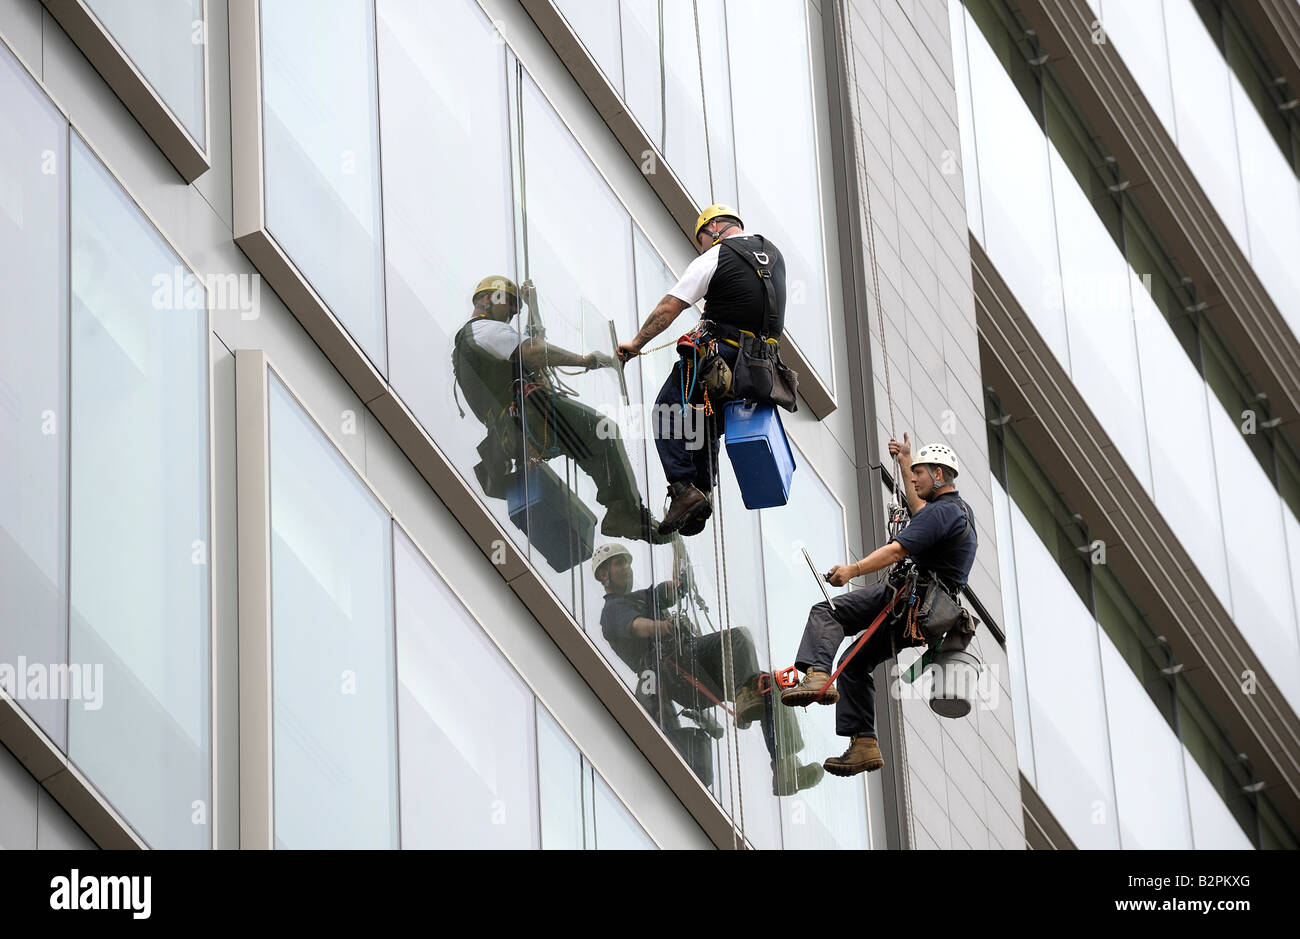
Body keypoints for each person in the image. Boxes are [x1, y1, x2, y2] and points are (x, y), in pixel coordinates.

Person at [782, 435, 979, 777]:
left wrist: (851, 570)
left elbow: (897, 550)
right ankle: (864, 744)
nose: (914, 480)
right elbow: (920, 512)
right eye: (913, 474)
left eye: (920, 473)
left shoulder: (944, 512)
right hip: (922, 614)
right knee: (855, 665)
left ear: (939, 474)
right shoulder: (956, 512)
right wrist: (905, 463)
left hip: (905, 598)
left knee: (827, 612)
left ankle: (816, 675)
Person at [593, 541, 823, 796]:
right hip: (676, 668)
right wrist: (666, 627)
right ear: (604, 574)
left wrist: (676, 542)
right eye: (619, 563)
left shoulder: (643, 597)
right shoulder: (612, 610)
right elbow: (637, 626)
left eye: (627, 562)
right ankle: (745, 696)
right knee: (739, 638)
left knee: (772, 685)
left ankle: (785, 769)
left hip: (693, 662)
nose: (627, 568)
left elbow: (676, 586)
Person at [453, 275, 665, 544]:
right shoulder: (482, 330)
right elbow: (532, 350)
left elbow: (532, 342)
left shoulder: (481, 338)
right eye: (509, 304)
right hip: (529, 413)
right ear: (485, 299)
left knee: (597, 442)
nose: (512, 313)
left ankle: (622, 510)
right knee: (603, 431)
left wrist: (534, 307)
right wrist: (584, 361)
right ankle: (625, 513)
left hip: (518, 425)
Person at [616, 205, 787, 536]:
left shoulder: (717, 255)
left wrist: (636, 343)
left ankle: (683, 488)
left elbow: (670, 306)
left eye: (702, 241)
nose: (703, 248)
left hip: (719, 357)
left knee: (666, 411)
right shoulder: (774, 255)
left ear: (714, 230)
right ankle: (701, 494)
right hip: (758, 374)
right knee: (702, 422)